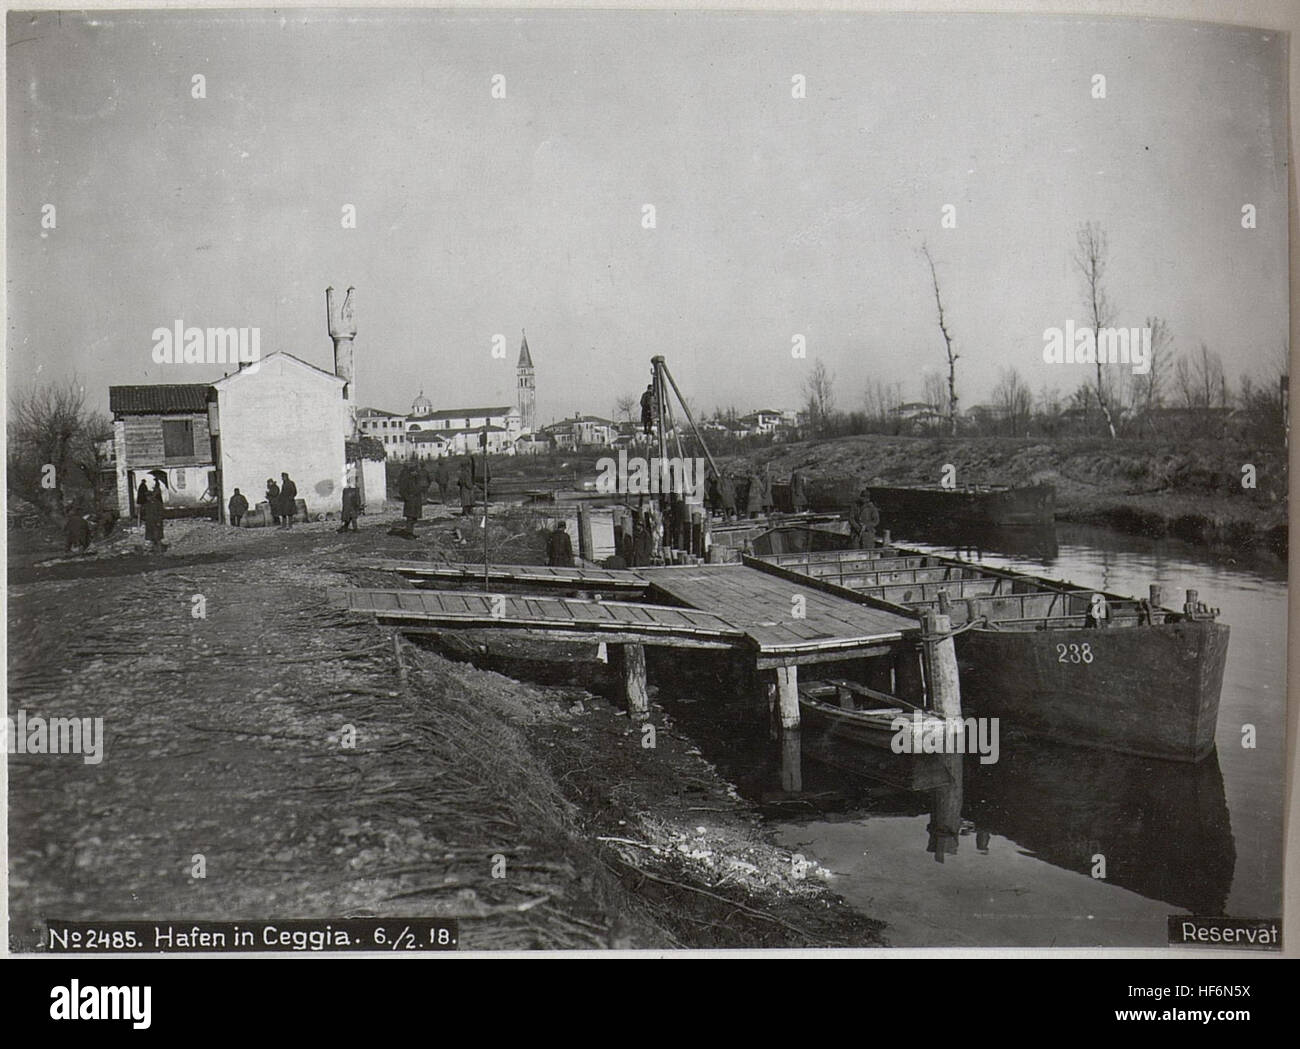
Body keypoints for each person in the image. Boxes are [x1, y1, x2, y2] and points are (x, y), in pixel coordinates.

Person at [399, 462, 424, 532]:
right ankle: (408, 533)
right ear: (411, 472)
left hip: (417, 502)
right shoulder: (406, 479)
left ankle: (411, 532)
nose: (416, 473)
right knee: (410, 518)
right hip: (410, 502)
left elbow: (419, 488)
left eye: (417, 471)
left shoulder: (417, 479)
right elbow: (402, 490)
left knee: (414, 518)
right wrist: (407, 498)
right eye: (415, 471)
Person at [143, 481, 166, 553]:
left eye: (149, 496)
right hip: (149, 523)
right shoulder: (146, 504)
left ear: (151, 496)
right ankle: (153, 549)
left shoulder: (157, 503)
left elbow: (160, 513)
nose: (148, 498)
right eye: (147, 497)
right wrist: (144, 518)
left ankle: (160, 550)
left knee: (157, 537)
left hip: (156, 522)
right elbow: (144, 512)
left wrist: (159, 521)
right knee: (151, 537)